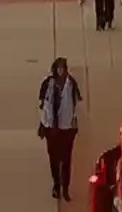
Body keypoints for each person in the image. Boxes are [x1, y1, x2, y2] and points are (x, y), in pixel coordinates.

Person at [37, 57, 82, 201]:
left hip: (66, 129)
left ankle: (65, 188)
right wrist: (43, 124)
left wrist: (74, 123)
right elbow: (43, 106)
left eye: (63, 68)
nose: (61, 71)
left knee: (67, 160)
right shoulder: (48, 84)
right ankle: (56, 185)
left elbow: (76, 105)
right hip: (52, 129)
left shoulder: (71, 84)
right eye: (58, 68)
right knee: (54, 160)